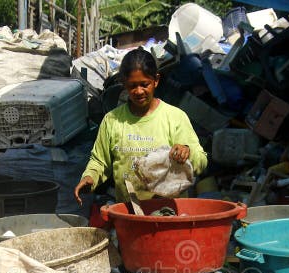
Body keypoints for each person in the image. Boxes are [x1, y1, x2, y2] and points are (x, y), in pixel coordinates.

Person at [74, 48, 207, 205]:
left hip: (169, 213)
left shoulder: (175, 117)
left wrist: (186, 152)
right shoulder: (112, 120)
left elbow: (201, 161)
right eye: (132, 86)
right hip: (129, 213)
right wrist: (90, 177)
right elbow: (99, 161)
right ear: (124, 83)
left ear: (156, 80)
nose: (139, 91)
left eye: (145, 84)